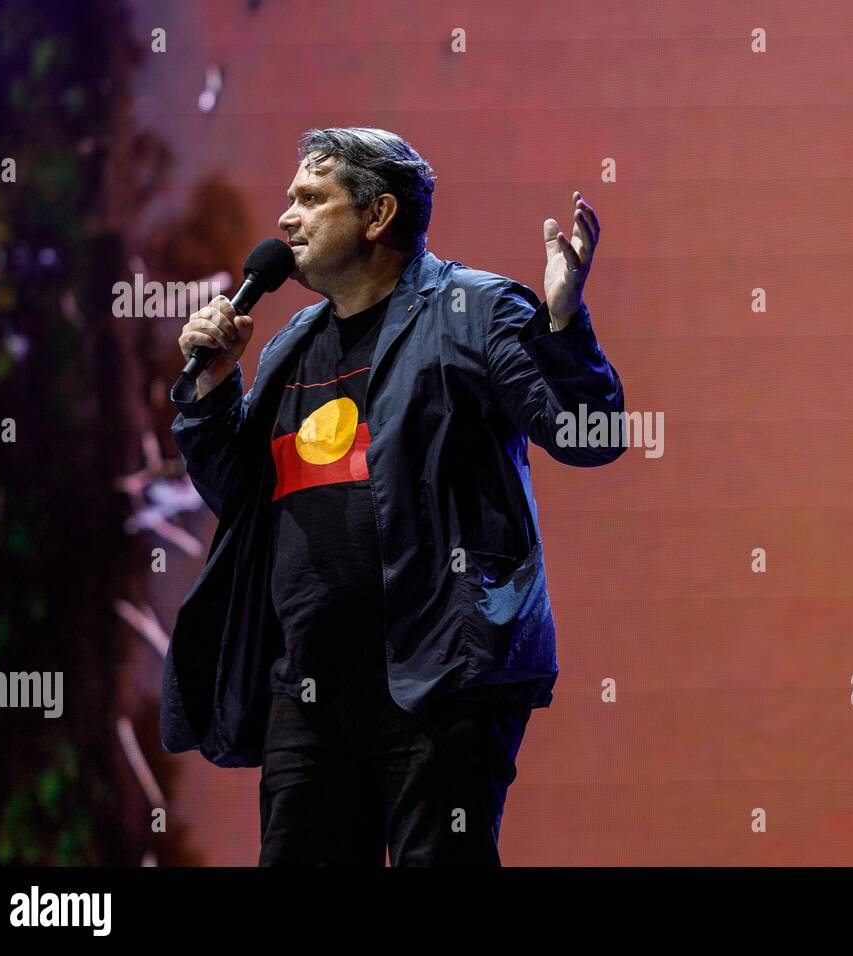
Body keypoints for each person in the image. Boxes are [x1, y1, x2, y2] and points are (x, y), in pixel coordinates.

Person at [161, 127, 625, 866]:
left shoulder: (476, 310)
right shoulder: (289, 346)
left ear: (377, 216)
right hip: (307, 690)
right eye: (289, 200)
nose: (286, 220)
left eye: (312, 200)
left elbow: (591, 435)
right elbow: (244, 504)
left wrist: (565, 326)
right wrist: (214, 395)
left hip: (439, 678)